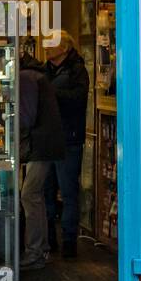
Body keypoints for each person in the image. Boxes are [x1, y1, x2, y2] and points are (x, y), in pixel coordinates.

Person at [17, 42, 65, 271]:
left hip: (41, 144)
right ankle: (41, 248)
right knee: (34, 195)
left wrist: (1, 116)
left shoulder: (26, 78)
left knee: (29, 195)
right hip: (45, 143)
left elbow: (26, 117)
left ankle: (34, 252)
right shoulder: (36, 75)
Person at [45, 31, 89, 259]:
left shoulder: (76, 70)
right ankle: (50, 239)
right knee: (47, 190)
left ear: (65, 47)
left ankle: (69, 240)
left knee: (68, 189)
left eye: (51, 43)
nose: (46, 46)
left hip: (69, 138)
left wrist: (52, 93)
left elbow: (79, 99)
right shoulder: (46, 69)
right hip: (48, 138)